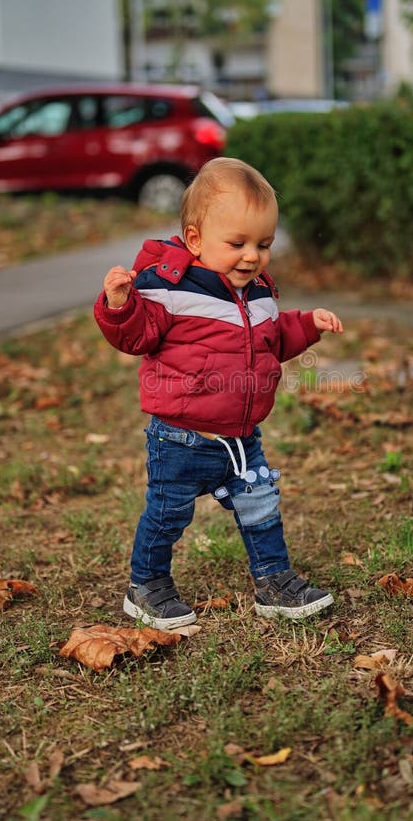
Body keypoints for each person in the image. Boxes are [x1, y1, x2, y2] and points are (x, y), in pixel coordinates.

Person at [94, 157, 343, 630]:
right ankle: (145, 585)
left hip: (242, 436)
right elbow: (136, 337)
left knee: (261, 505)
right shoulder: (168, 290)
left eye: (264, 244)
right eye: (238, 244)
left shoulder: (259, 292)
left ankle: (274, 582)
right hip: (180, 438)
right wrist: (119, 306)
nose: (252, 256)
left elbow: (273, 339)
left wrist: (307, 324)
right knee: (168, 514)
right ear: (195, 239)